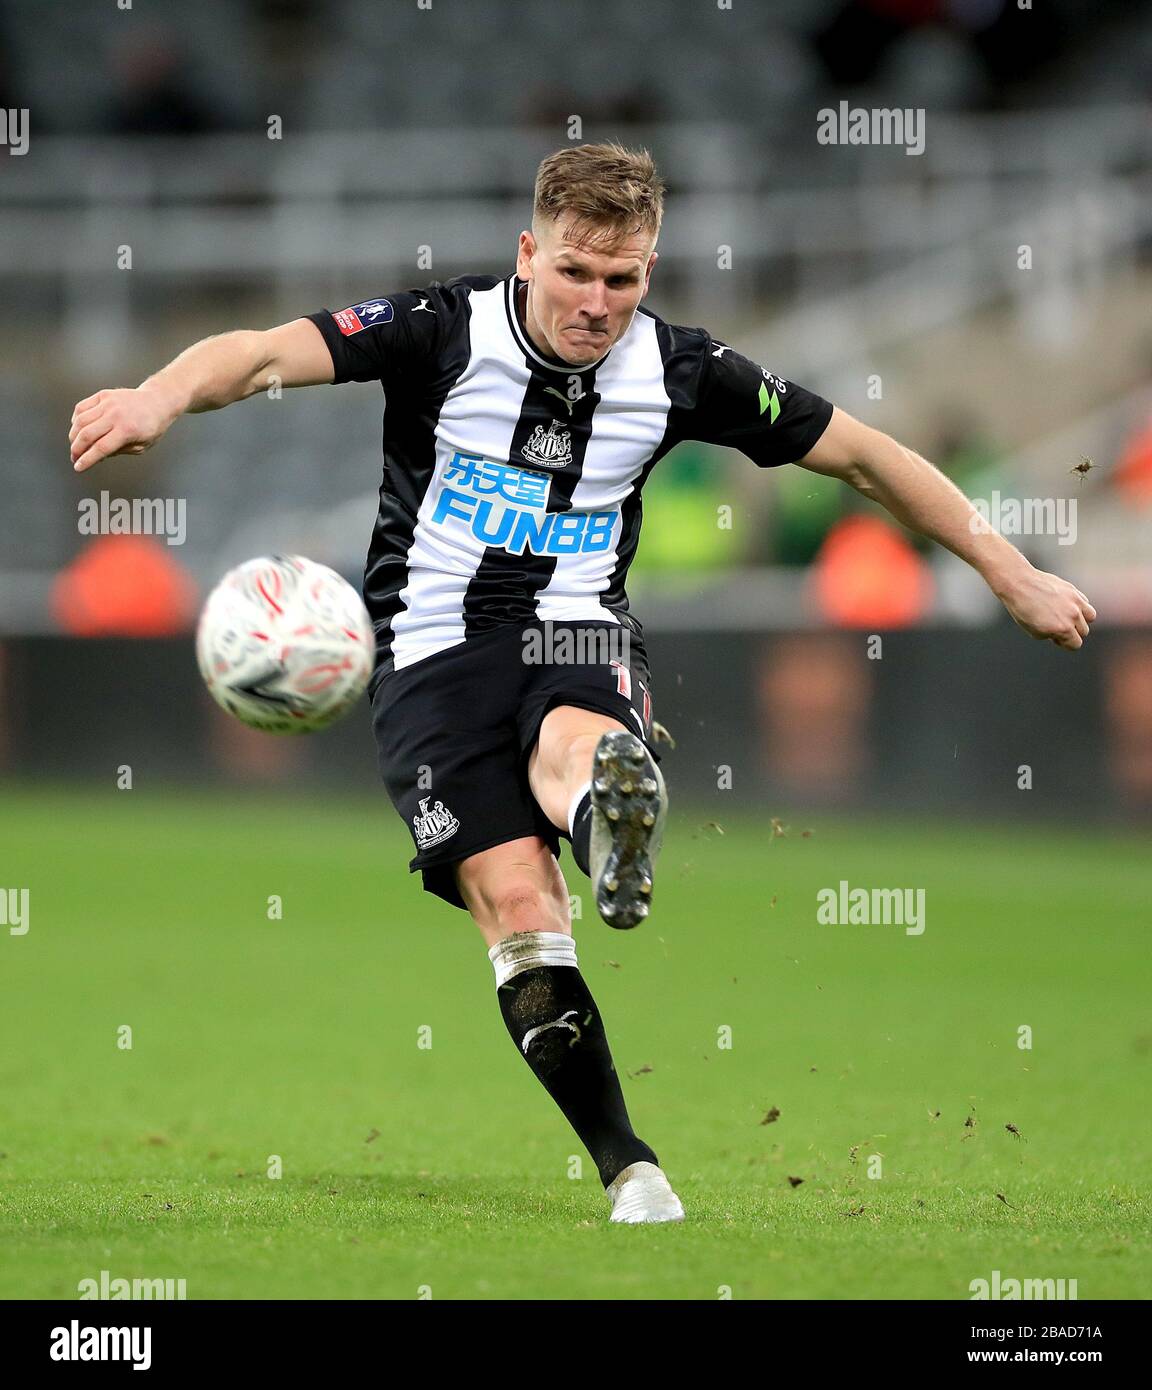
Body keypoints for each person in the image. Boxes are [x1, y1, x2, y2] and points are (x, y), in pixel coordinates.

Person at [68, 142, 1095, 1223]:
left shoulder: (681, 370)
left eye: (622, 278)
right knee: (519, 907)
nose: (597, 303)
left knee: (578, 736)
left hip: (574, 629)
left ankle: (609, 812)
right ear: (528, 253)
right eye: (574, 271)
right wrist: (157, 398)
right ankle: (630, 1167)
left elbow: (865, 456)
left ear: (650, 271)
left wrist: (1010, 570)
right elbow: (264, 353)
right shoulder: (442, 329)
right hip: (427, 653)